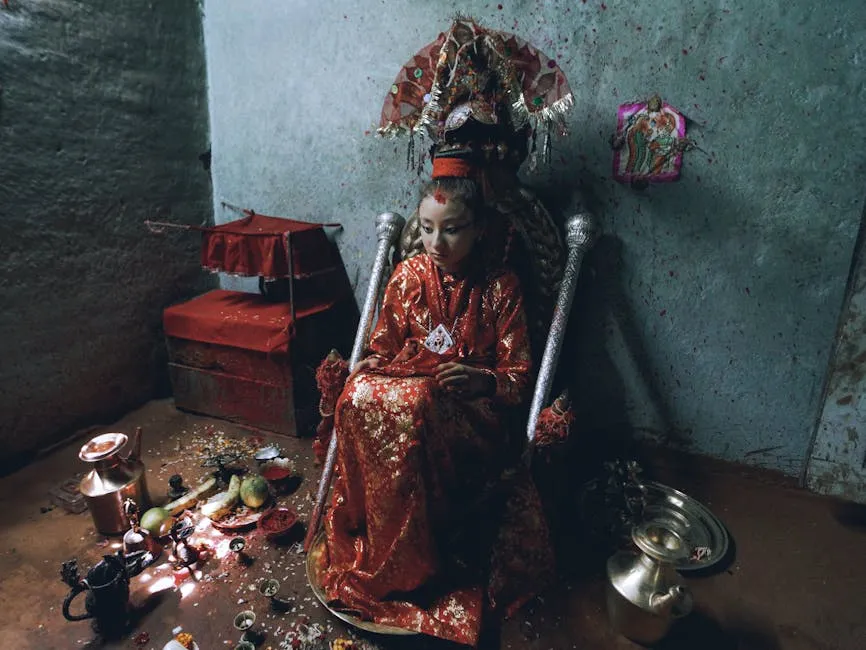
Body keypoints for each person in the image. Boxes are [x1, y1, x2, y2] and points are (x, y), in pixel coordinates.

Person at [317, 154, 554, 646]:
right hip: (412, 397)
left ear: (479, 228)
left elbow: (518, 378)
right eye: (426, 228)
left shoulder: (500, 288)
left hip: (474, 417)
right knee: (358, 394)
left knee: (417, 404)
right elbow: (383, 348)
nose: (435, 243)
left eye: (451, 230)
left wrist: (481, 380)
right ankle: (383, 544)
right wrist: (365, 368)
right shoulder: (406, 277)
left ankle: (416, 567)